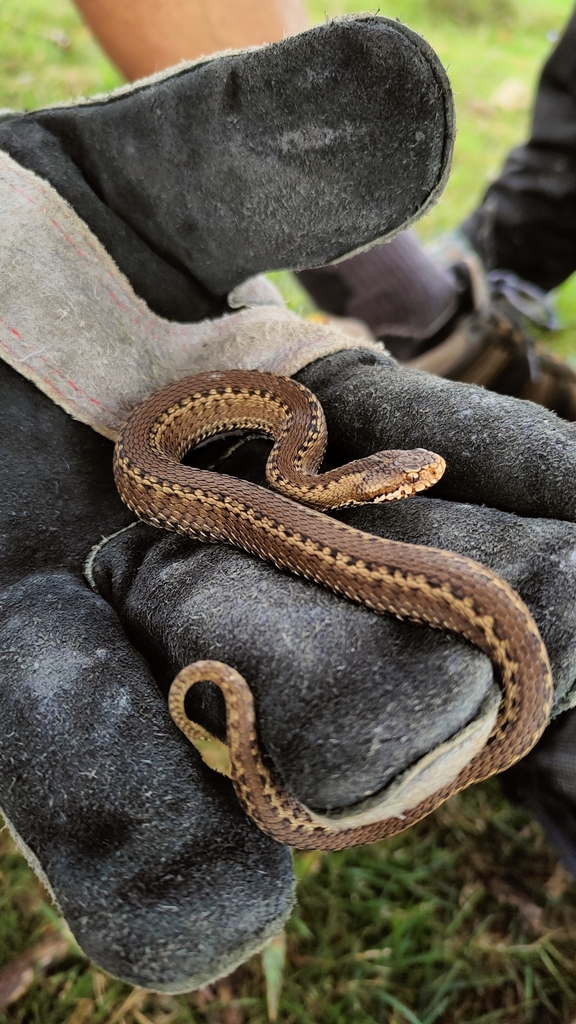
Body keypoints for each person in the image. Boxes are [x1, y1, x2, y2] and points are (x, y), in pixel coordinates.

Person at [3, 11, 576, 995]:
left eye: (403, 480)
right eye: (401, 481)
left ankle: (441, 325)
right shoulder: (277, 465)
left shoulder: (298, 432)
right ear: (360, 487)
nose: (411, 480)